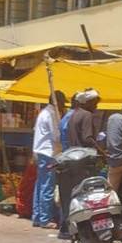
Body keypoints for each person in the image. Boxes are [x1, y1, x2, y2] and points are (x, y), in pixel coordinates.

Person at [31, 91, 66, 229]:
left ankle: (37, 216)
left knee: (40, 185)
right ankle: (45, 219)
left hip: (41, 151)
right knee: (47, 186)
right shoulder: (51, 114)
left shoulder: (44, 112)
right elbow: (56, 136)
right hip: (48, 152)